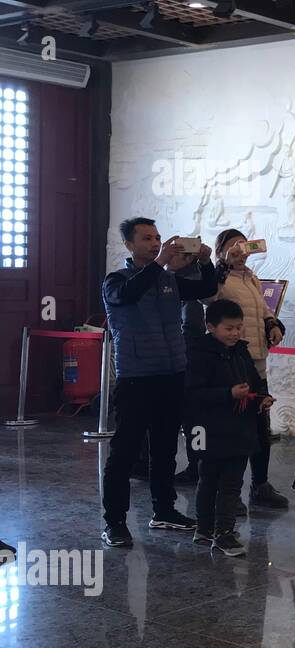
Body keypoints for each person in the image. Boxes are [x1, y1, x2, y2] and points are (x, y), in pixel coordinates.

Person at [100, 218, 216, 548]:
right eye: (147, 238)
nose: (155, 244)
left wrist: (205, 262)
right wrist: (163, 263)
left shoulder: (169, 280)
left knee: (165, 448)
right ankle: (115, 522)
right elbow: (130, 294)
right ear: (129, 245)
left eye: (158, 238)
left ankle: (164, 510)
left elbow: (207, 289)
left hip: (172, 374)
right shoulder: (115, 281)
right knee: (125, 452)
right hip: (136, 377)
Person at [185, 299, 272, 558]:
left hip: (240, 429)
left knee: (233, 482)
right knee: (209, 480)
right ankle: (209, 530)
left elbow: (254, 381)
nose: (235, 333)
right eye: (229, 329)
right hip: (210, 429)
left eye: (239, 328)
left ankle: (222, 529)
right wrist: (228, 394)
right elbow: (193, 394)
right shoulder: (198, 355)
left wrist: (261, 397)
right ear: (210, 327)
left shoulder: (241, 351)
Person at [210, 228, 288, 510]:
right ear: (221, 252)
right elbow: (209, 298)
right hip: (232, 363)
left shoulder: (251, 278)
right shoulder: (219, 279)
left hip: (257, 362)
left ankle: (260, 485)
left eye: (243, 247)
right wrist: (223, 265)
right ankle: (228, 492)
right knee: (235, 430)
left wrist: (273, 325)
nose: (240, 253)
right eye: (233, 248)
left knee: (260, 428)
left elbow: (264, 310)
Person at [174, 251, 216, 485]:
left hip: (193, 348)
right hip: (175, 352)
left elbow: (206, 295)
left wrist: (202, 263)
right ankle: (194, 465)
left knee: (195, 416)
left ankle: (198, 465)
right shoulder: (164, 277)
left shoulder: (197, 277)